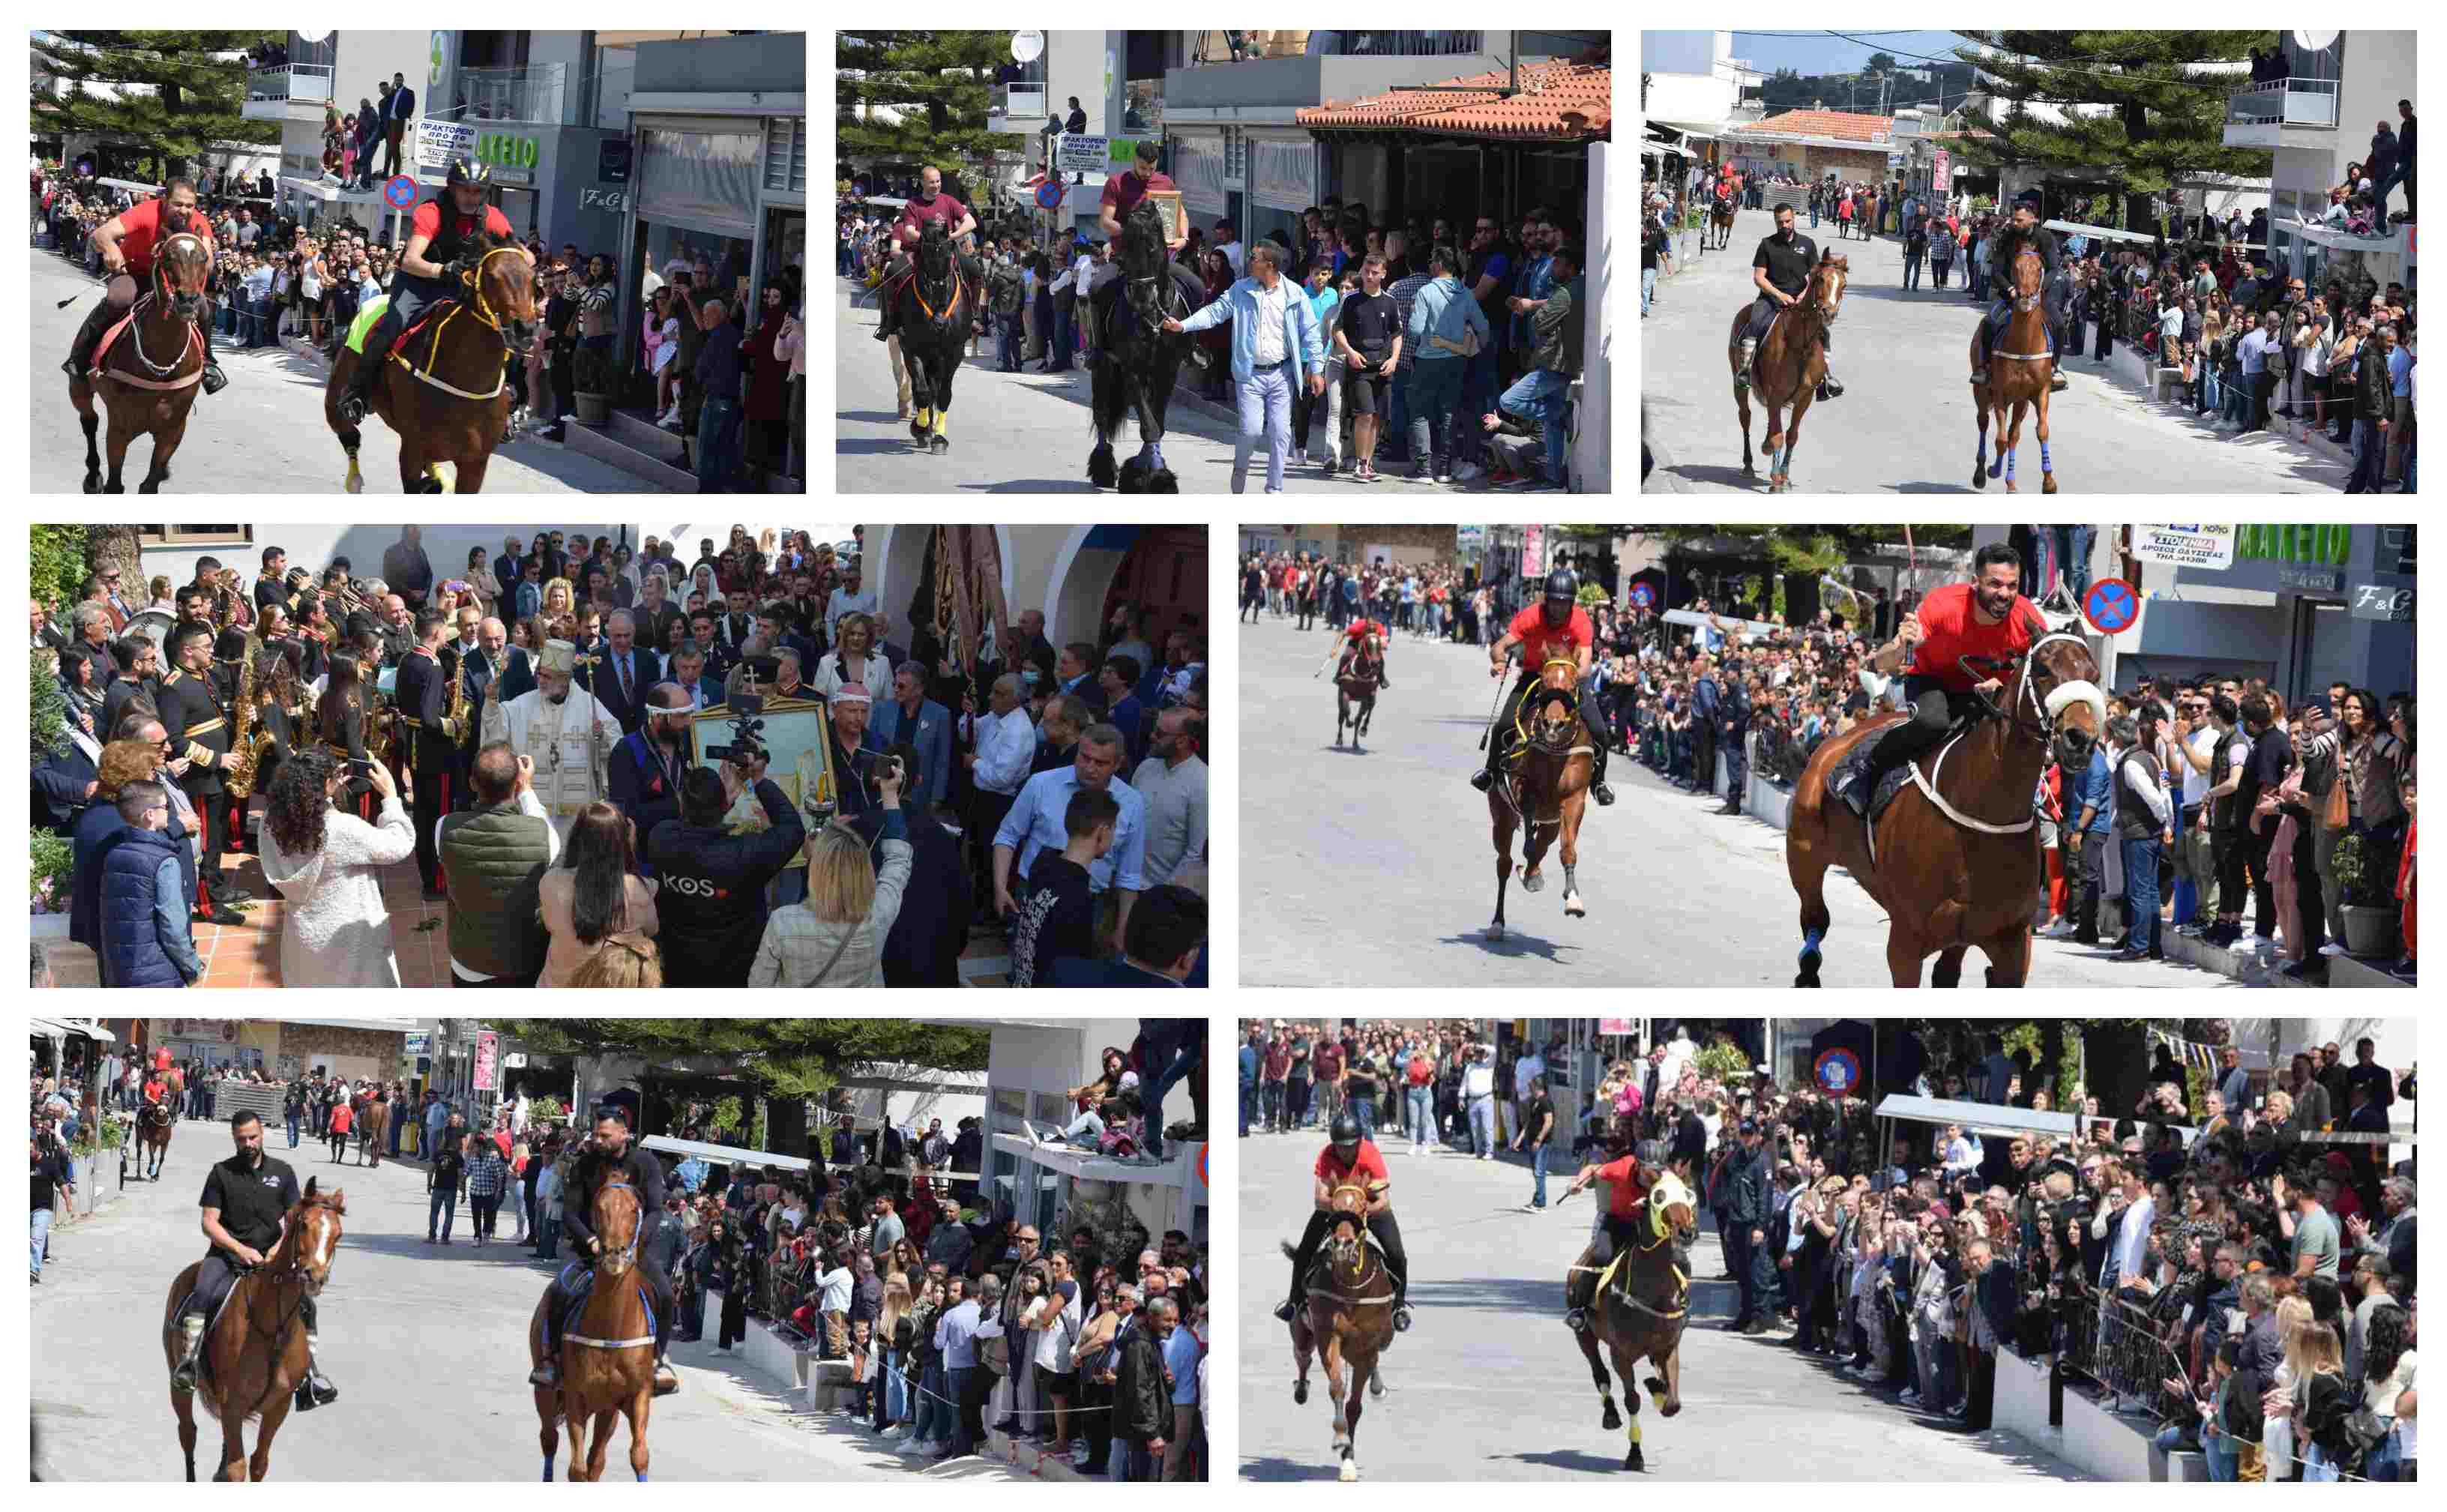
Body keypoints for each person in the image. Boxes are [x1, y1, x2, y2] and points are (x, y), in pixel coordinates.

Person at [168, 1109, 337, 1407]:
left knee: (306, 1306)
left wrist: (274, 1250)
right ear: (234, 1139)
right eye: (242, 1139)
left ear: (262, 1134)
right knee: (203, 1293)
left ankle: (310, 1376)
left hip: (271, 1260)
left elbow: (294, 1221)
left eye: (253, 1137)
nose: (248, 1143)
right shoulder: (221, 1173)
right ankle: (189, 1364)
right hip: (226, 1257)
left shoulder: (283, 1173)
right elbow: (209, 1222)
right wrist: (239, 1248)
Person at [529, 1106, 681, 1397]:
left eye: (605, 1135)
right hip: (591, 1252)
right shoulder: (584, 1165)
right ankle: (550, 1361)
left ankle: (658, 1361)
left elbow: (655, 1211)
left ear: (623, 1133)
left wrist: (635, 1246)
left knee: (665, 1295)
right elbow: (571, 1213)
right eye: (596, 1135)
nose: (598, 1140)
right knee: (558, 1291)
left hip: (633, 1252)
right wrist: (591, 1242)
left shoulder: (646, 1164)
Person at [644, 745, 807, 987]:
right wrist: (758, 779)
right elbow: (793, 829)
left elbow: (685, 825)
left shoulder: (661, 840)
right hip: (736, 975)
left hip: (680, 971)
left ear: (682, 804)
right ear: (722, 807)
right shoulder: (743, 854)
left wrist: (721, 803)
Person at [257, 747, 415, 987]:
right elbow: (398, 844)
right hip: (348, 941)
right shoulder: (340, 829)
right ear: (327, 784)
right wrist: (390, 795)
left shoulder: (270, 821)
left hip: (305, 939)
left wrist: (326, 789)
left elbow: (304, 811)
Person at [750, 759, 912, 987]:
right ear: (864, 869)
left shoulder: (783, 922)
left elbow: (759, 989)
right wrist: (889, 792)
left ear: (817, 869)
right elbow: (899, 857)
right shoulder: (879, 913)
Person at [1470, 567, 1615, 805]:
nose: (1559, 608)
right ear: (1547, 600)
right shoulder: (1530, 616)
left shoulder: (1580, 620)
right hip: (1535, 677)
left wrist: (1565, 680)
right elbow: (1499, 647)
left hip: (1570, 680)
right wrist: (1498, 662)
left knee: (1600, 731)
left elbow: (1586, 664)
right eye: (1555, 602)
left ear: (1571, 603)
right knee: (1504, 725)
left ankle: (1598, 782)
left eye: (1564, 602)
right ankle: (1491, 772)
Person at [1274, 1111, 1410, 1331]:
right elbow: (1320, 1199)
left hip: (1369, 1207)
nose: (1345, 1151)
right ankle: (1294, 1301)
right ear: (1333, 1144)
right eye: (1341, 1146)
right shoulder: (1327, 1156)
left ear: (1360, 1142)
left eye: (1350, 1146)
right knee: (1304, 1253)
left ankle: (1399, 1306)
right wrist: (1343, 1209)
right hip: (1335, 1208)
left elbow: (1383, 1202)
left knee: (1397, 1255)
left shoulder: (1370, 1154)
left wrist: (1361, 1210)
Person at [436, 741, 556, 987]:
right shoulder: (543, 834)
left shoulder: (444, 827)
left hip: (469, 963)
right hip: (524, 961)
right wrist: (527, 789)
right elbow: (537, 817)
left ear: (472, 784)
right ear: (517, 783)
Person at [479, 639, 618, 843]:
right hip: (535, 804)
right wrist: (492, 702)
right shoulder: (523, 705)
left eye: (548, 676)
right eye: (540, 674)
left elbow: (614, 743)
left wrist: (602, 737)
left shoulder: (588, 704)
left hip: (576, 807)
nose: (541, 681)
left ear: (565, 680)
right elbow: (497, 728)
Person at [91, 779, 205, 987]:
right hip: (158, 972)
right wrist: (193, 966)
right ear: (150, 815)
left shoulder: (114, 853)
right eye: (165, 806)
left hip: (121, 969)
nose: (168, 811)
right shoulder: (165, 860)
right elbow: (173, 927)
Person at [538, 801, 658, 988]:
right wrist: (630, 851)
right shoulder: (641, 889)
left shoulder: (551, 882)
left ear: (577, 838)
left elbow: (549, 924)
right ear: (624, 841)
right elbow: (652, 930)